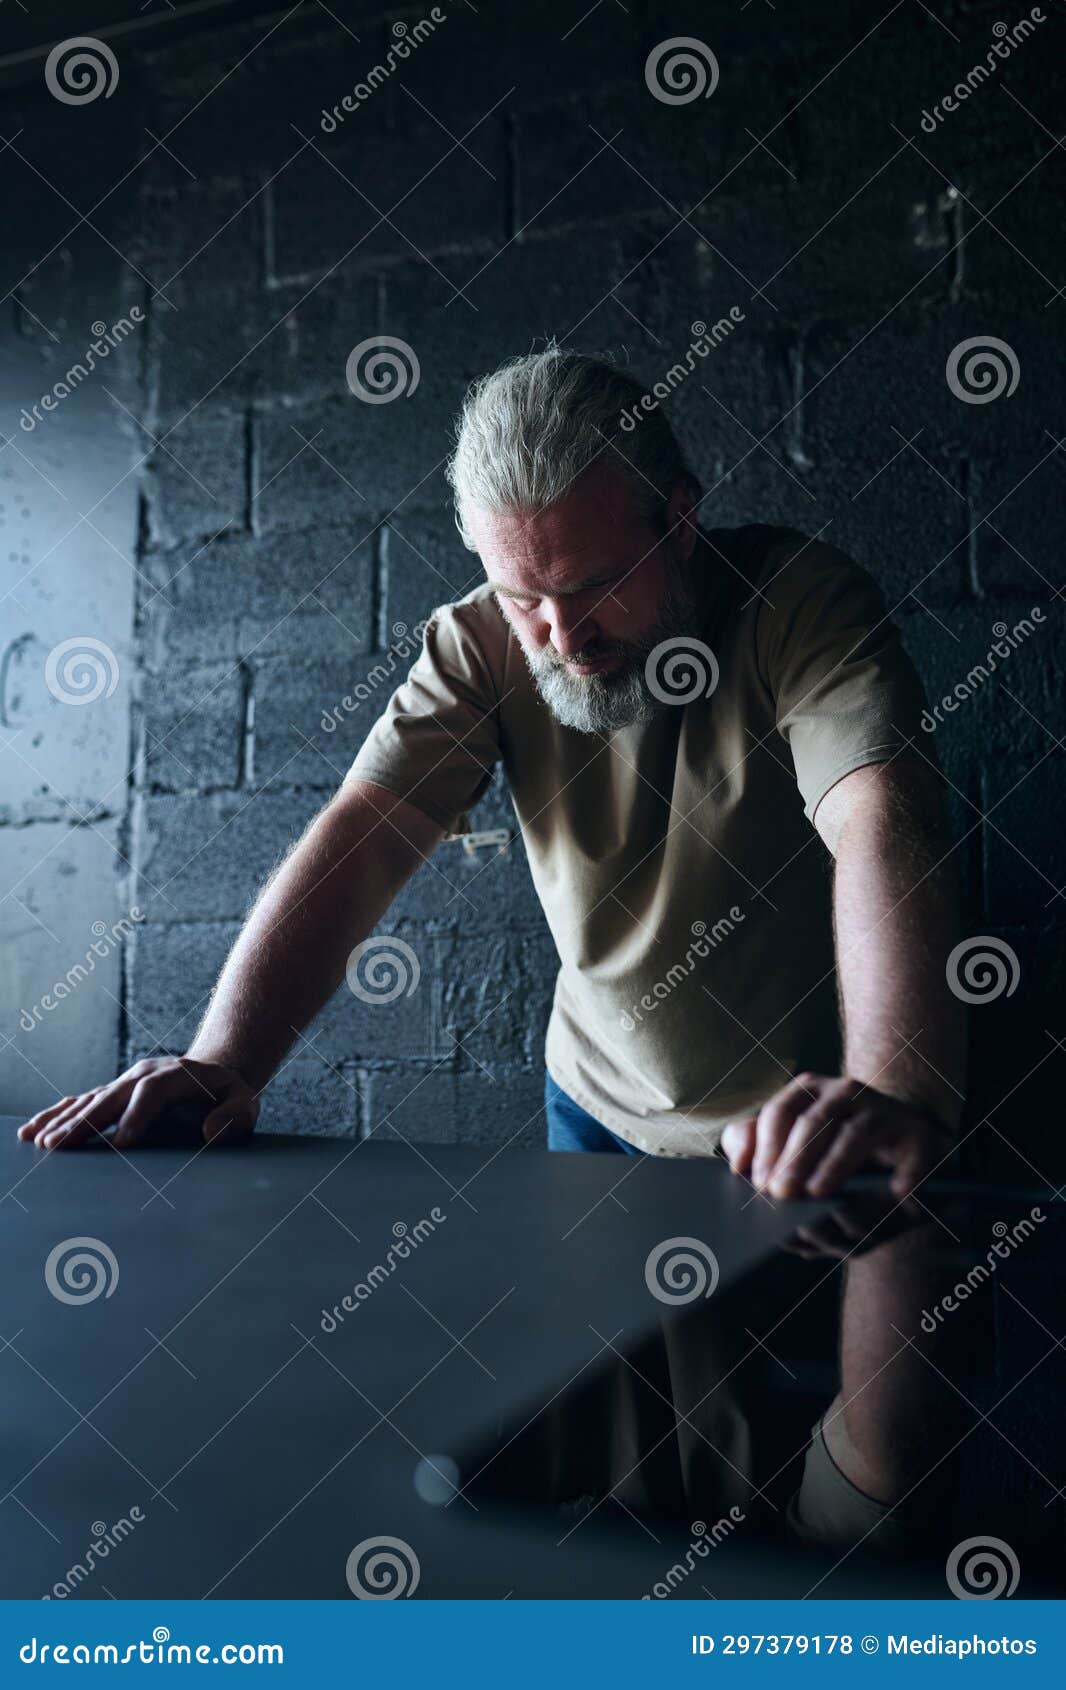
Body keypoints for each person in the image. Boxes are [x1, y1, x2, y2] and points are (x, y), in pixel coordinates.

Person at [17, 347, 966, 1197]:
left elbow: (878, 813)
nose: (564, 637)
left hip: (803, 1125)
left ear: (679, 523)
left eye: (594, 584)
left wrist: (896, 1088)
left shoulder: (802, 602)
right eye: (525, 598)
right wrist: (225, 1063)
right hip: (593, 1108)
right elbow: (368, 834)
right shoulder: (476, 641)